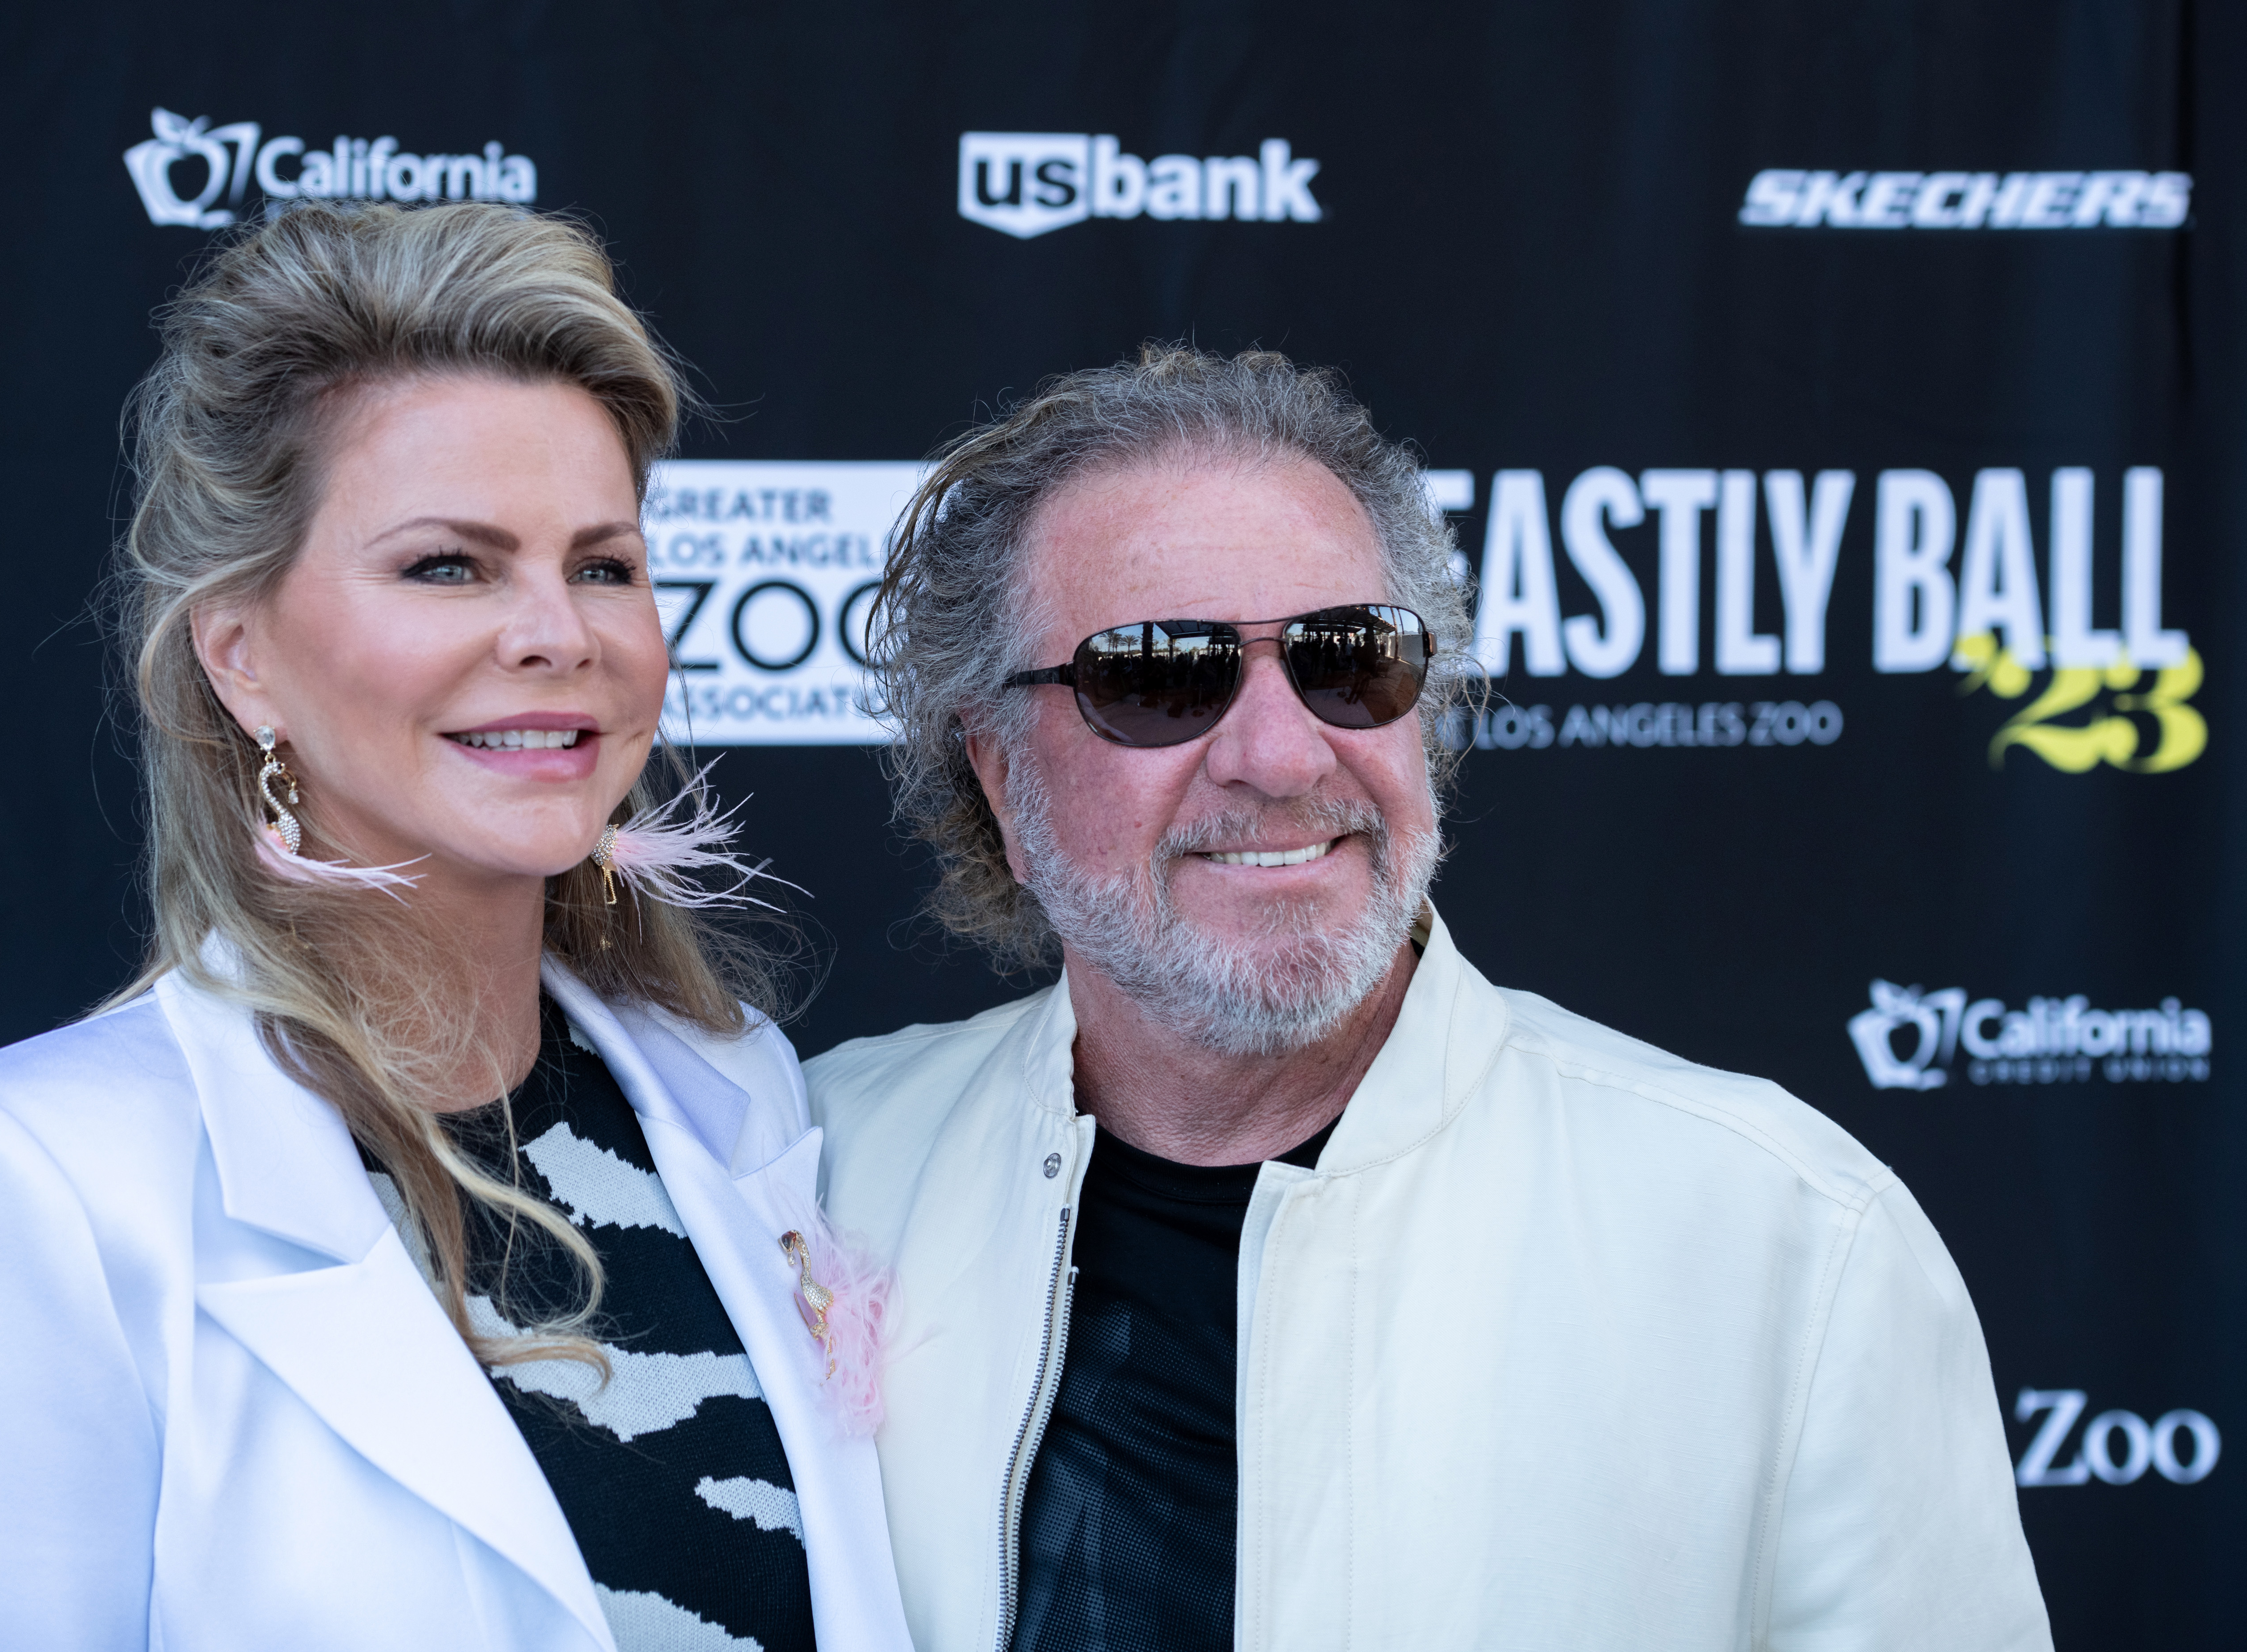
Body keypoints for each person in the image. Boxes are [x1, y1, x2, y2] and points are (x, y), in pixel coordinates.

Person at [807, 346, 2051, 1650]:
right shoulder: (822, 1172)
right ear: (1002, 779)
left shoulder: (1790, 1242)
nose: (1281, 754)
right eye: (1161, 676)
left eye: (1347, 659)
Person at [0, 202, 908, 1652]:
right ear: (242, 653)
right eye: (448, 565)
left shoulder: (738, 1095)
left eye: (603, 563)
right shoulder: (20, 1188)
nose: (557, 633)